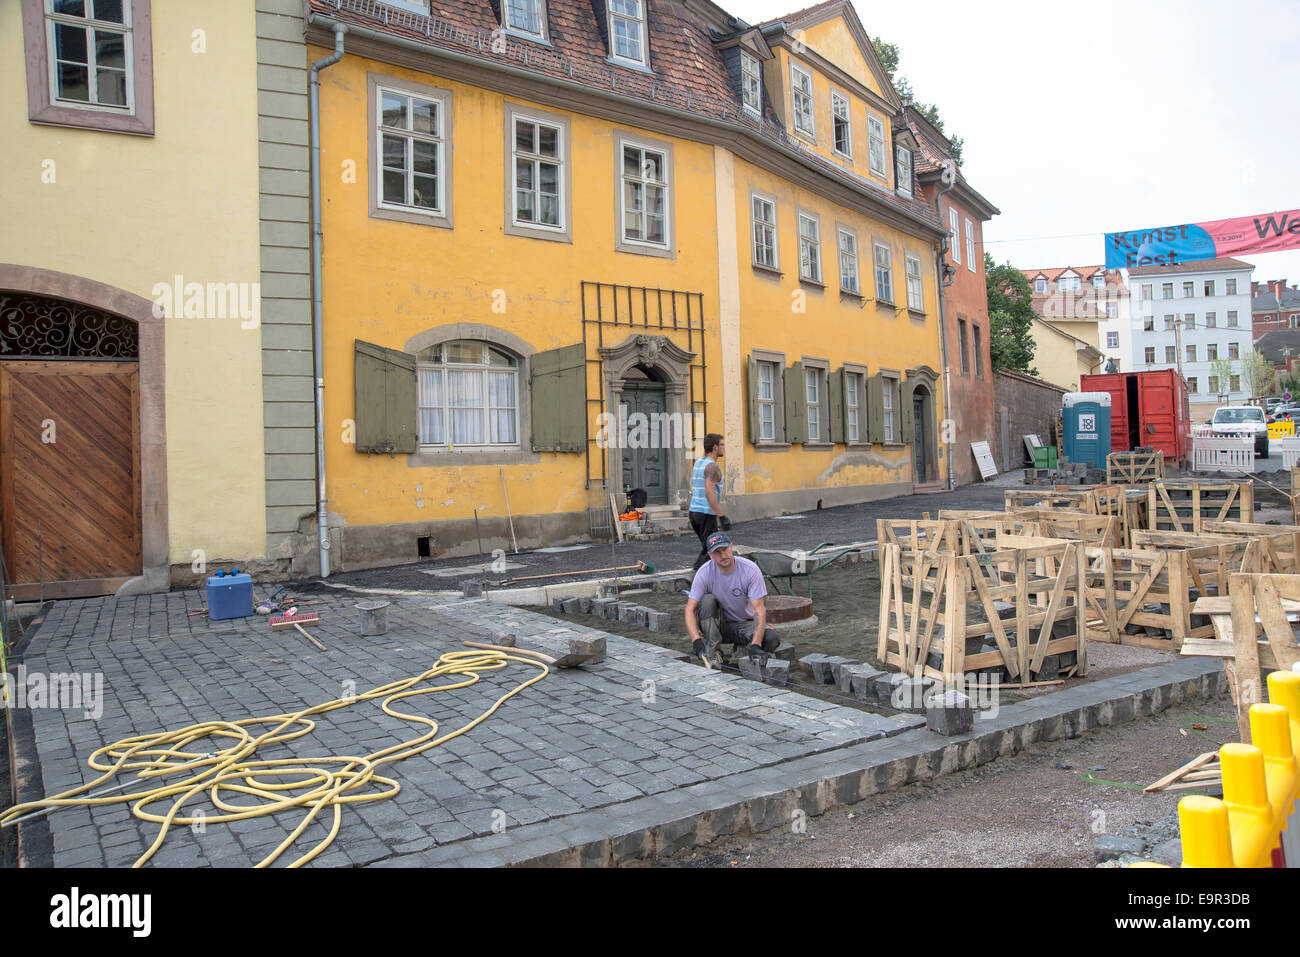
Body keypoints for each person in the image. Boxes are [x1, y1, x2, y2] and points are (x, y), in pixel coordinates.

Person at [684, 532, 779, 669]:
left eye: (725, 549)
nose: (723, 555)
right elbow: (690, 609)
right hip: (717, 625)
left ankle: (742, 650)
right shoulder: (704, 573)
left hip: (743, 624)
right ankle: (714, 651)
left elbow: (759, 609)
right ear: (710, 555)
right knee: (707, 600)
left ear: (731, 547)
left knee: (771, 639)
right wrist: (696, 641)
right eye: (717, 552)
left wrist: (756, 644)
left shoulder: (750, 570)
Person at [687, 433, 730, 571]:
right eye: (721, 445)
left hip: (694, 513)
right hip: (705, 514)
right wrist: (721, 516)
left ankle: (706, 579)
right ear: (715, 447)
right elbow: (709, 492)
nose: (724, 447)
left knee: (709, 548)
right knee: (711, 550)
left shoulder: (698, 463)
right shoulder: (712, 467)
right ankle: (696, 580)